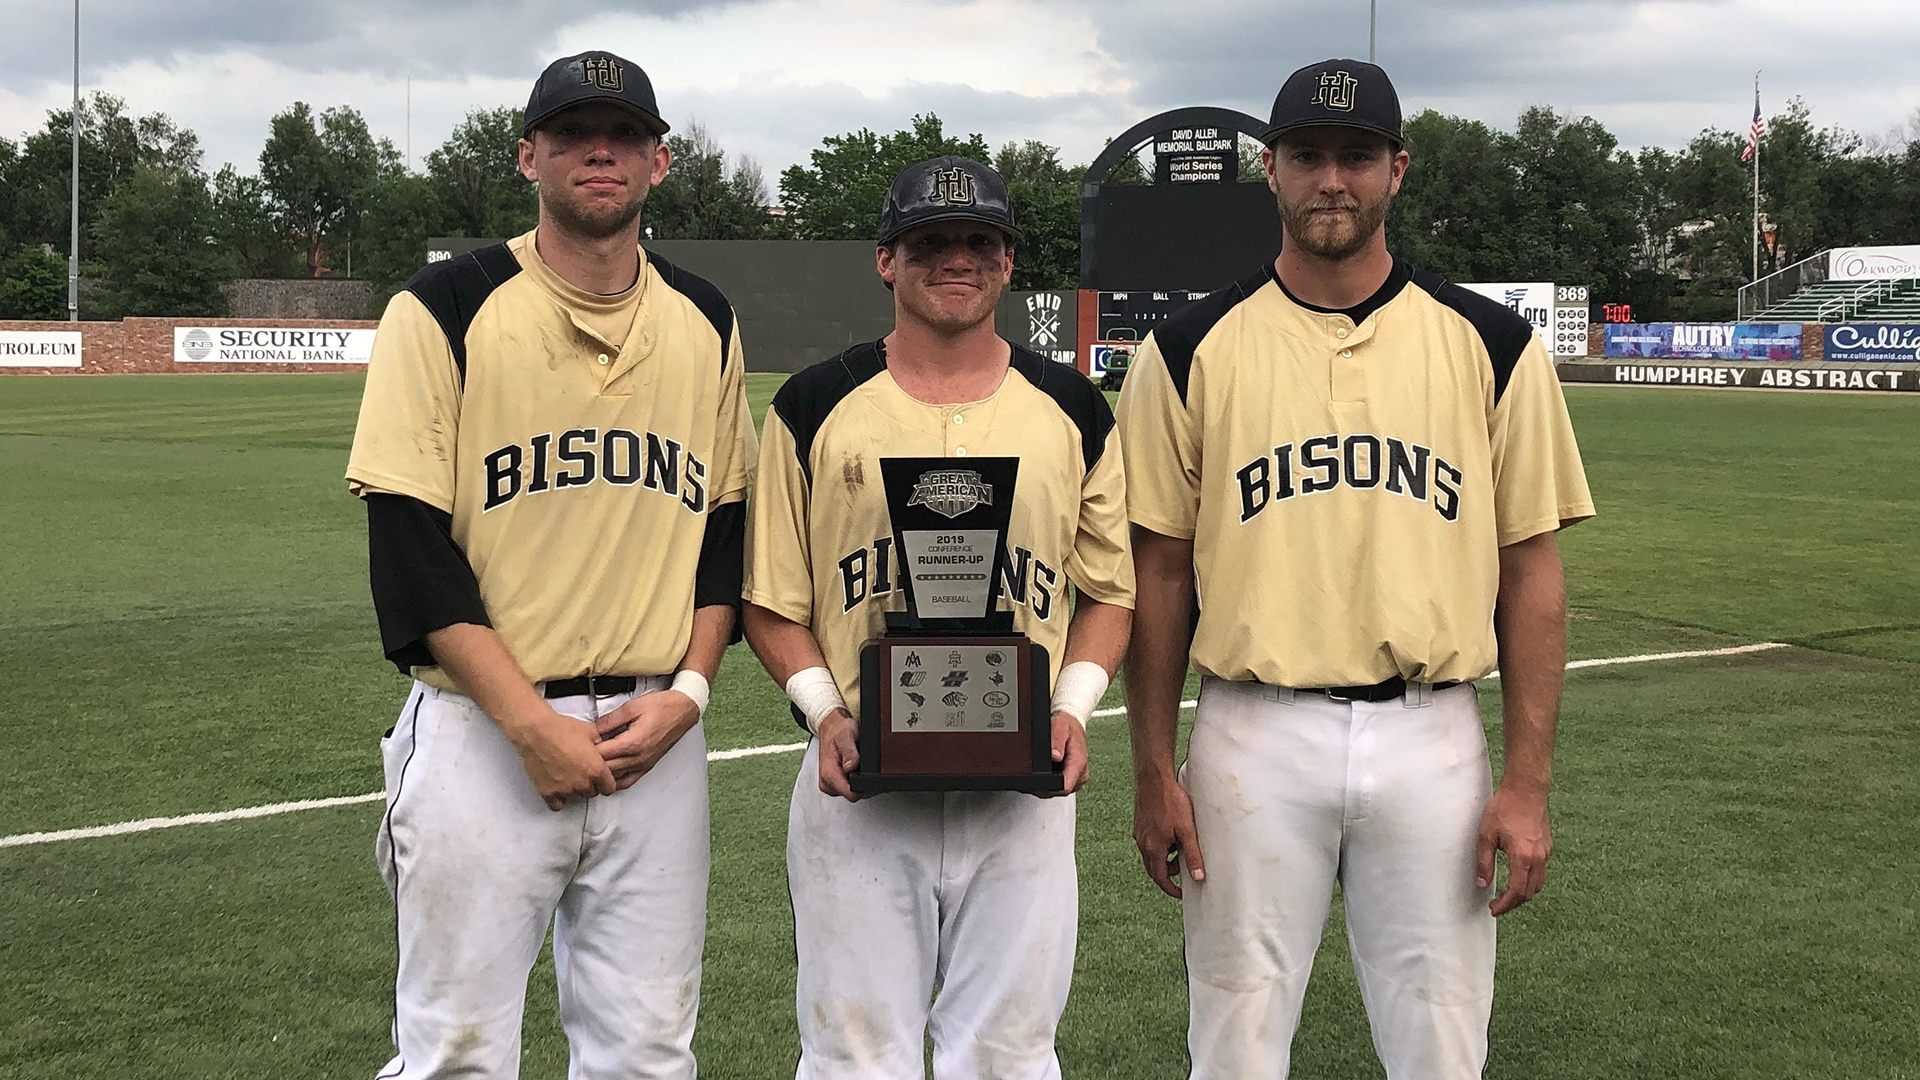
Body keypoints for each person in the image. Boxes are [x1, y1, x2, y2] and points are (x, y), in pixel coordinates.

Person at [1116, 58, 1595, 1078]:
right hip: (1251, 733)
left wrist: (1527, 782)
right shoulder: (1186, 348)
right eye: (1308, 156)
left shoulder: (1495, 344)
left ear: (1397, 170)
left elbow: (1532, 574)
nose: (1332, 179)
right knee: (1233, 1047)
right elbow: (1156, 575)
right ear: (1270, 169)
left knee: (1441, 1046)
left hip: (1433, 736)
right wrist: (1153, 768)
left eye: (1357, 156)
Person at [344, 49, 754, 1080]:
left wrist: (692, 694)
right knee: (455, 1054)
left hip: (656, 736)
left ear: (661, 161)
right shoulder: (443, 305)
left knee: (647, 1052)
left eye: (624, 135)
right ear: (529, 156)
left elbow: (724, 530)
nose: (599, 152)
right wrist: (529, 725)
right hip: (484, 733)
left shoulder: (706, 317)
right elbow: (409, 547)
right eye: (573, 134)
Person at [741, 155, 1134, 1080]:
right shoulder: (813, 405)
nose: (956, 258)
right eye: (929, 242)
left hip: (1023, 788)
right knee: (852, 1055)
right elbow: (770, 599)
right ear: (887, 259)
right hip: (861, 780)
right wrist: (826, 715)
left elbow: (1109, 591)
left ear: (1007, 261)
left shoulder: (1072, 407)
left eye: (979, 241)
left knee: (1009, 1056)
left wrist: (1071, 709)